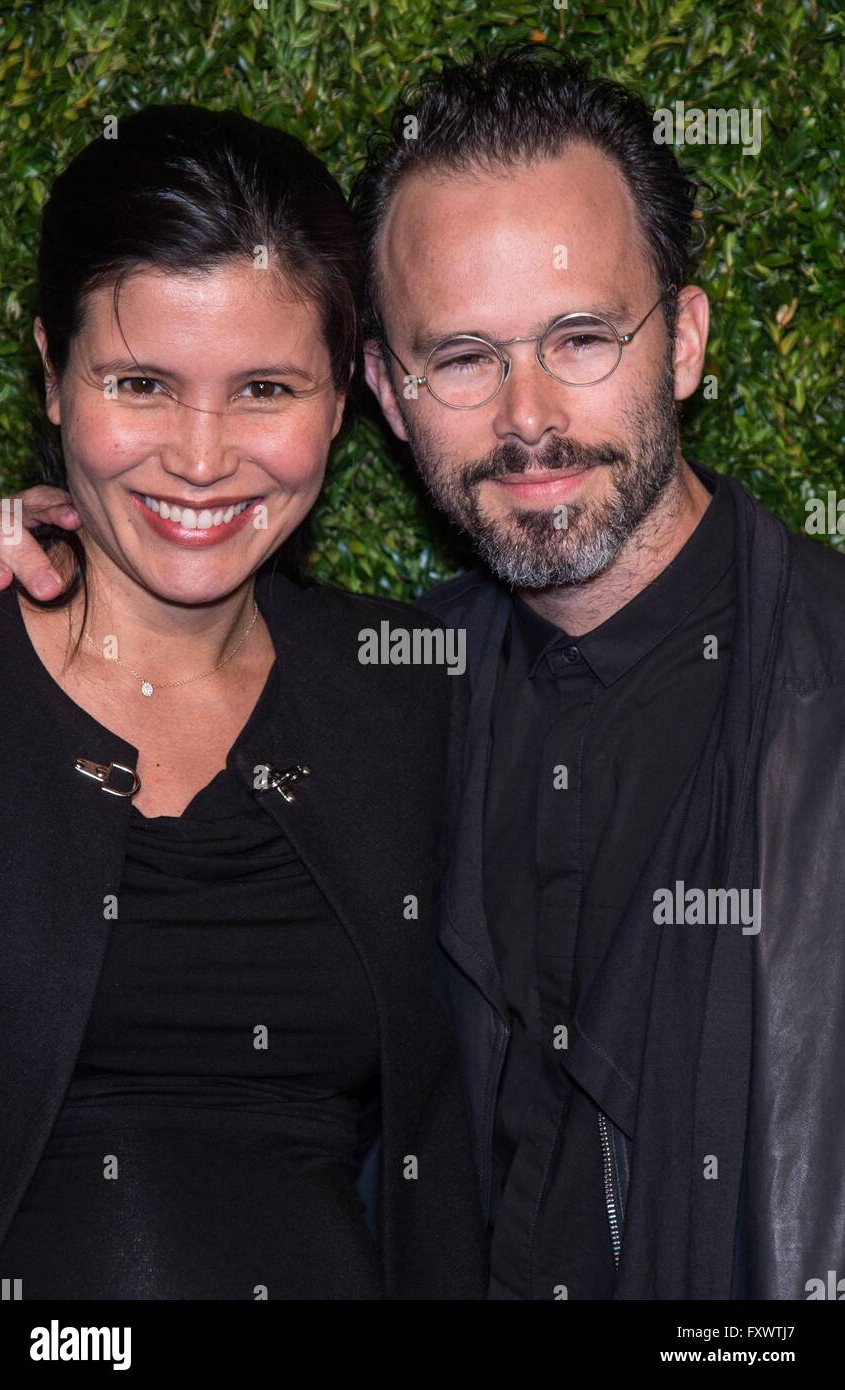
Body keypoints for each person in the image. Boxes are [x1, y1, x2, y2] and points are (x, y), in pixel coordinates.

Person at [349, 45, 845, 1300]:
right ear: (388, 397)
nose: (525, 416)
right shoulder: (366, 706)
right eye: (460, 357)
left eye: (578, 337)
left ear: (680, 341)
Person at [0, 104, 486, 1300]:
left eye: (264, 387)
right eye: (141, 382)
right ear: (53, 376)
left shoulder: (418, 696)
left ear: (346, 401)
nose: (201, 458)